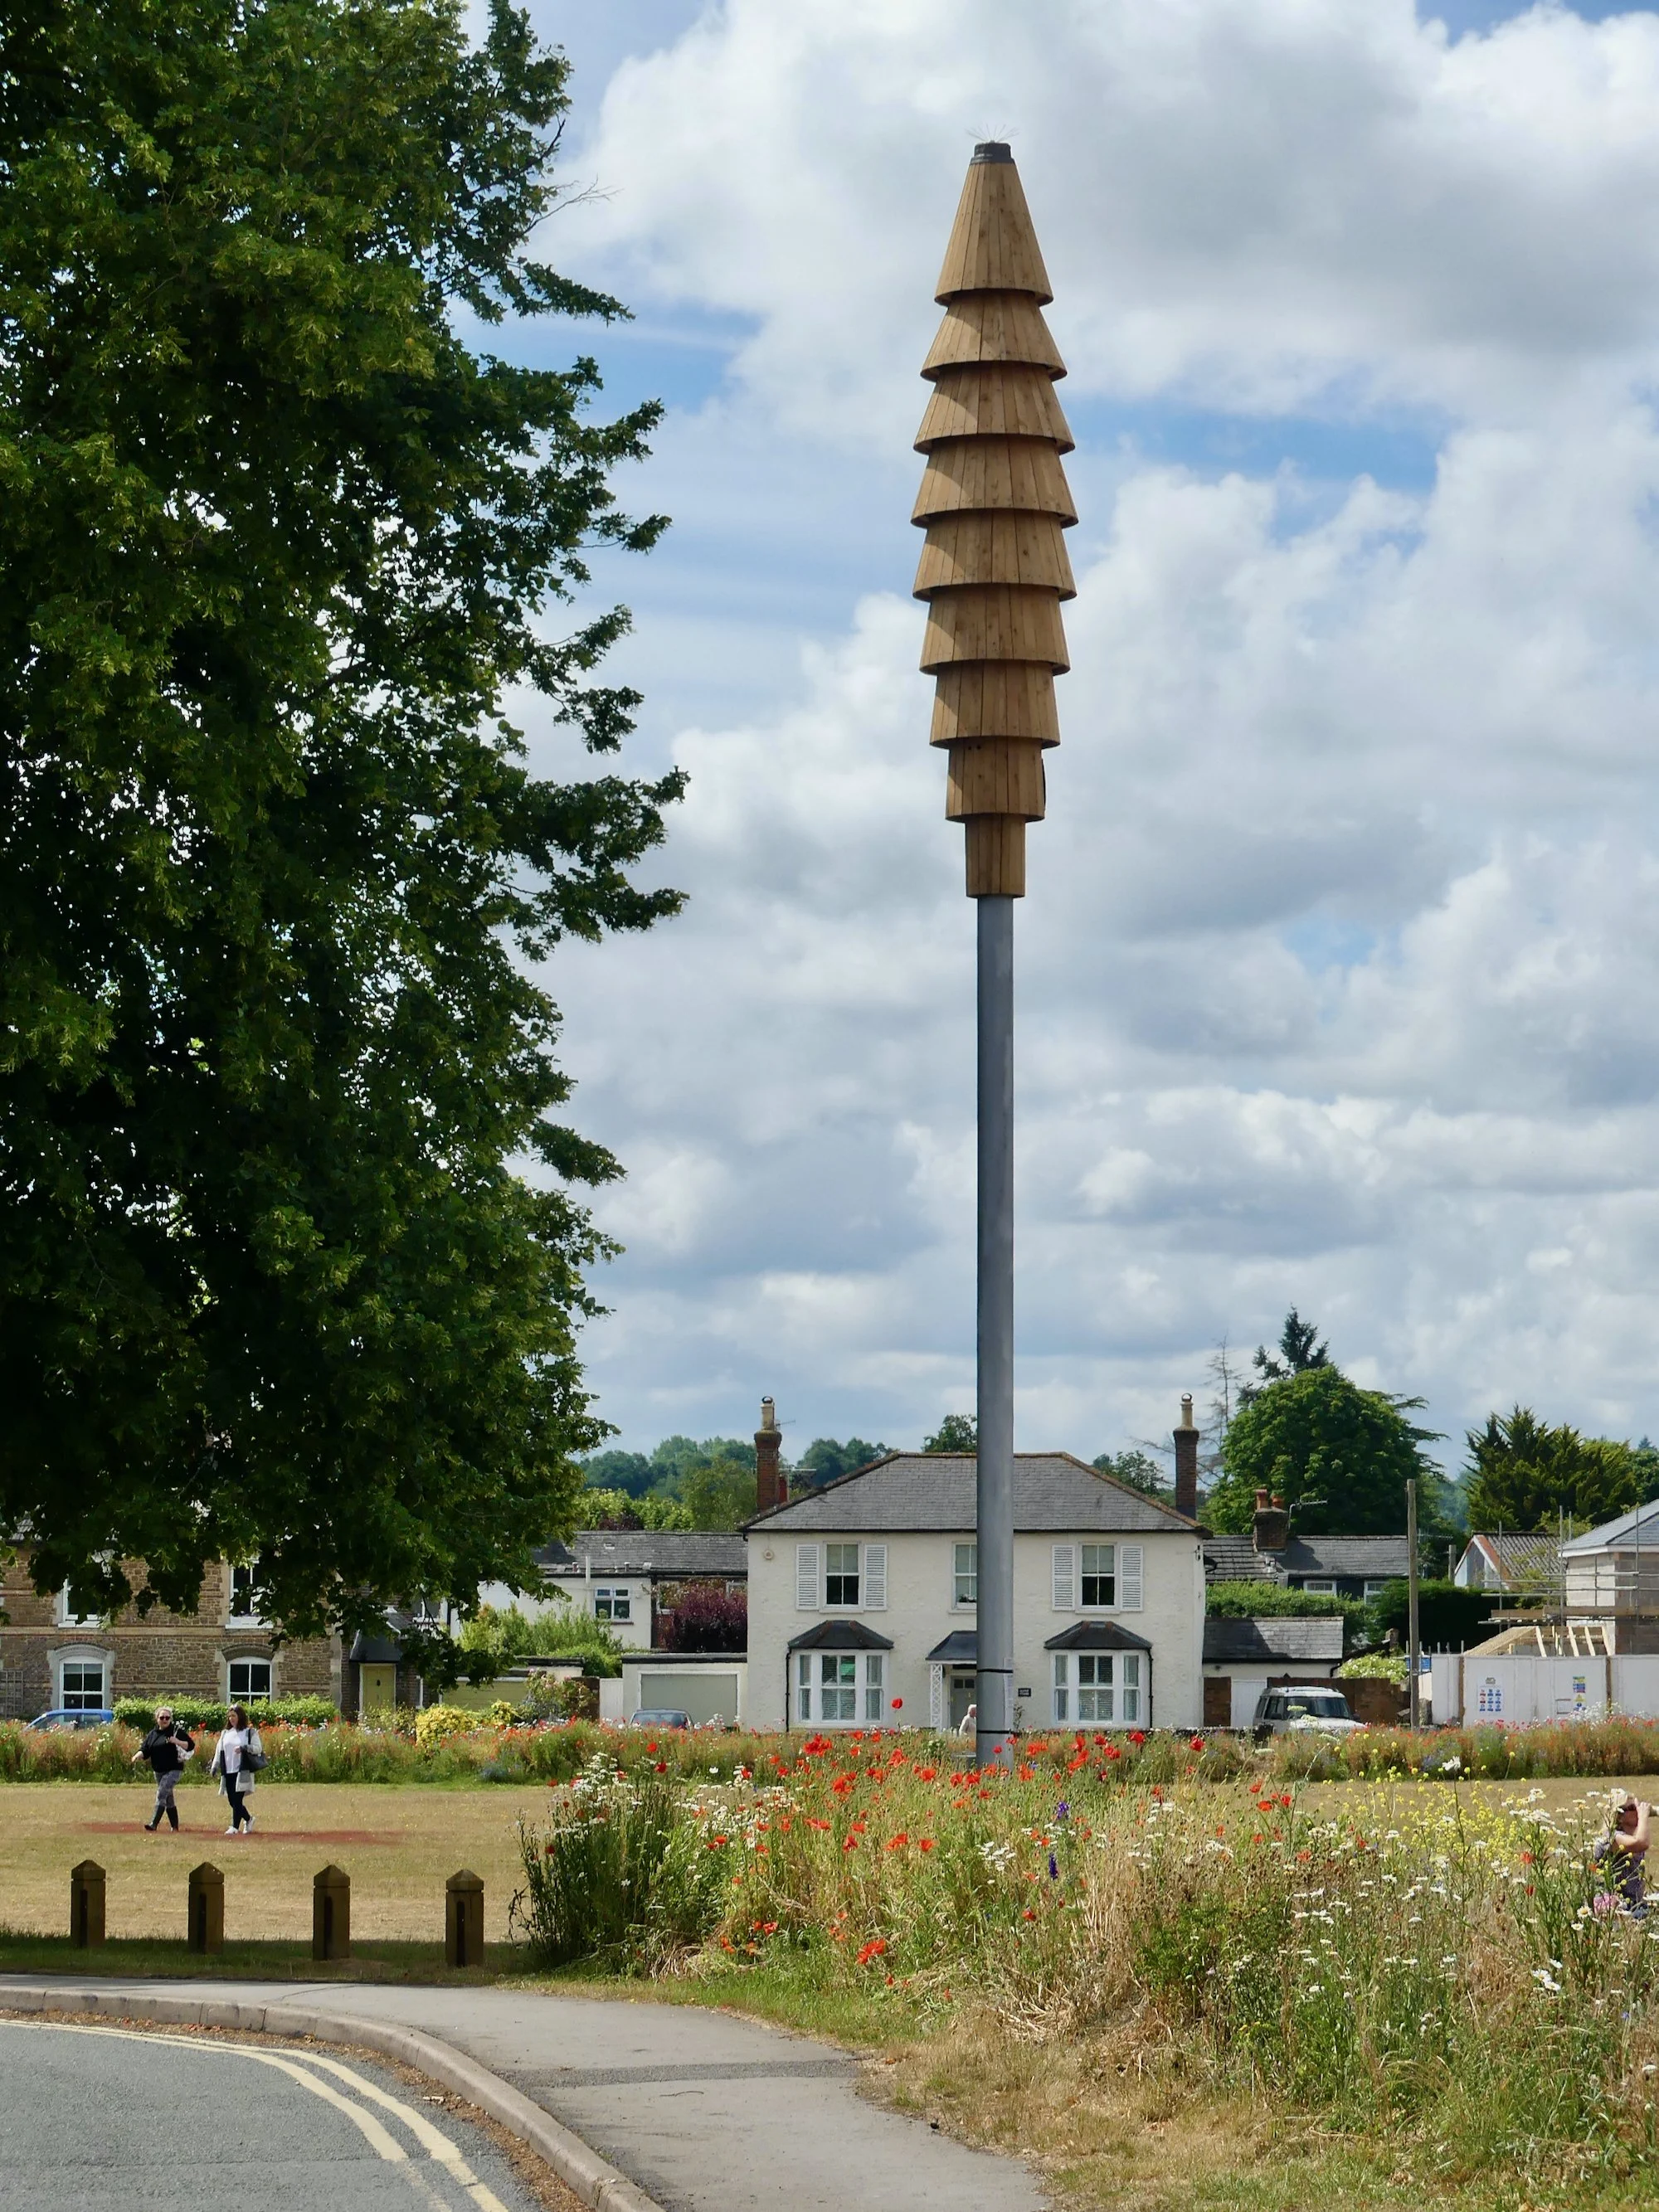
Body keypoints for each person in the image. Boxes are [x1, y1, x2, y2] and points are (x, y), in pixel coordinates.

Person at [132, 1706, 194, 1832]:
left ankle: (154, 1824)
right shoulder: (153, 1734)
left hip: (174, 1769)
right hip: (158, 1771)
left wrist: (177, 1741)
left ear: (170, 1719)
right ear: (157, 1719)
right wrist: (137, 1755)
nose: (165, 1720)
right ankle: (175, 1827)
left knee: (161, 1793)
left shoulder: (176, 1732)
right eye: (162, 1718)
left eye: (167, 1718)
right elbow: (145, 1749)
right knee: (168, 1798)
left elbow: (191, 1745)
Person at [1593, 1793, 1651, 1916]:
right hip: (1612, 1906)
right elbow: (1642, 1843)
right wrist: (1643, 1816)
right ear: (1619, 1816)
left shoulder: (1632, 1838)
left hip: (1634, 1905)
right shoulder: (1610, 1837)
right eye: (1632, 1808)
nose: (1638, 1810)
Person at [210, 1704, 263, 1835]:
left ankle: (234, 1827)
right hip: (228, 1771)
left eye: (234, 1716)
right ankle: (249, 1819)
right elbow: (219, 1751)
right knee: (232, 1800)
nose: (231, 1719)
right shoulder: (225, 1733)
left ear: (240, 1716)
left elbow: (258, 1748)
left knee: (237, 1799)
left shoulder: (249, 1732)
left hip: (242, 1770)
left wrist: (245, 1748)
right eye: (230, 1716)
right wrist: (215, 1766)